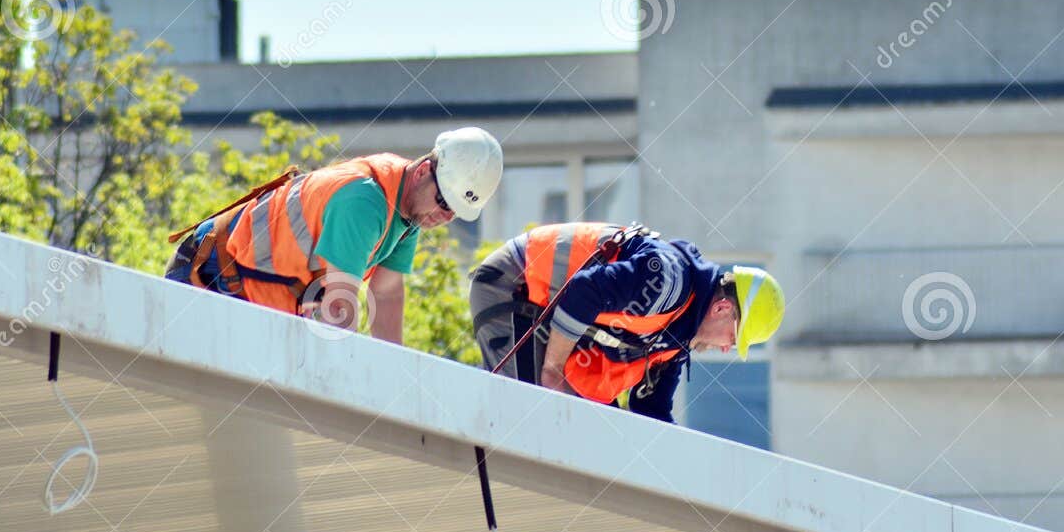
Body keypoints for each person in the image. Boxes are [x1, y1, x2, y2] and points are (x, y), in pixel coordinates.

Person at [167, 127, 503, 344]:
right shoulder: (365, 201)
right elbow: (339, 305)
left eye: (454, 212)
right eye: (443, 200)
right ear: (423, 171)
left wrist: (394, 377)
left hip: (249, 299)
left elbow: (386, 296)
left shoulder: (412, 213)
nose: (442, 217)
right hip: (208, 275)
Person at [468, 222, 784, 422]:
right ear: (722, 309)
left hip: (542, 313)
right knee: (529, 421)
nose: (727, 348)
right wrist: (551, 371)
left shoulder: (677, 338)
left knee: (590, 434)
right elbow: (583, 292)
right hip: (515, 283)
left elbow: (651, 413)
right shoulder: (667, 282)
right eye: (734, 335)